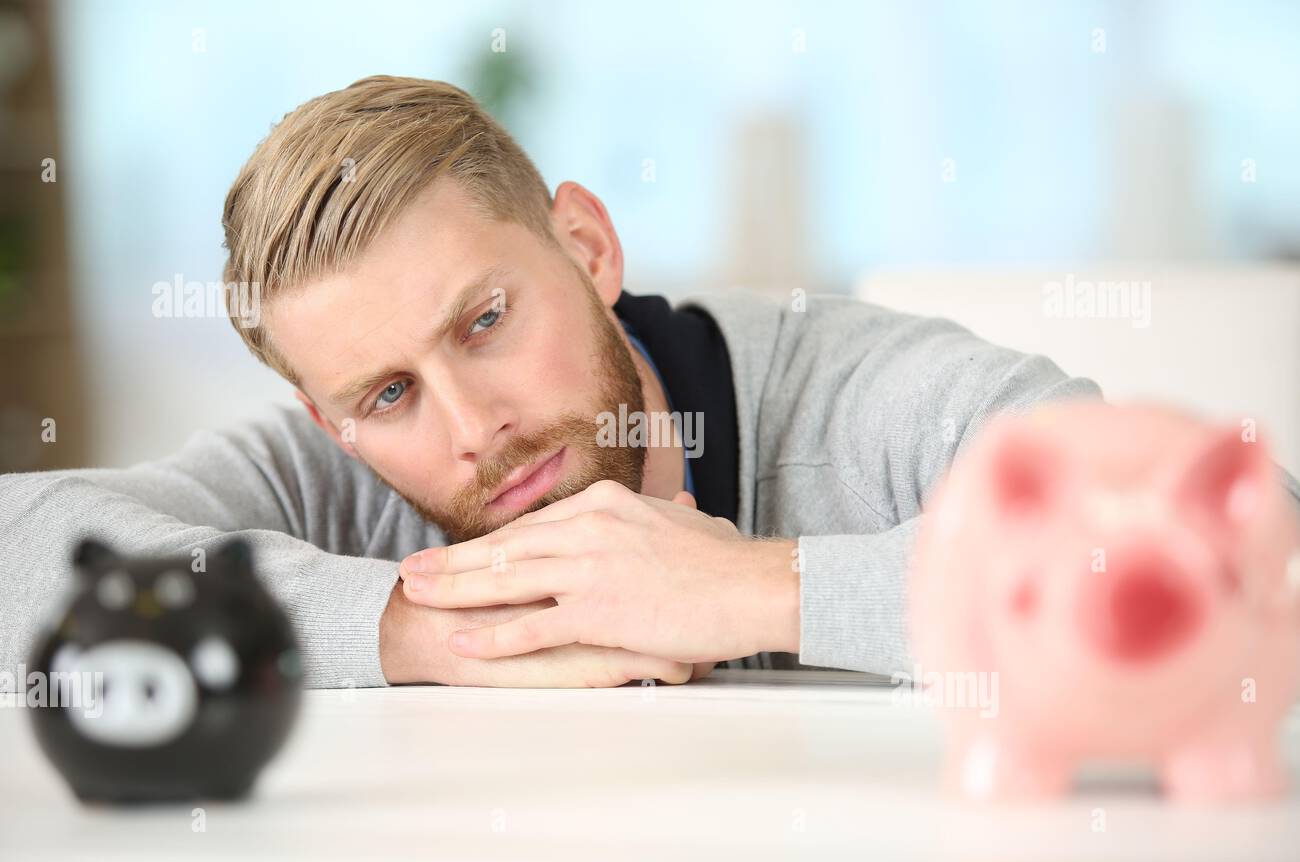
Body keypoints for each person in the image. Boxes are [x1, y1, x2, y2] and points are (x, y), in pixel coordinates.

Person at [5, 76, 1293, 690]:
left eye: (487, 320)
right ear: (332, 425)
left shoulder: (863, 400)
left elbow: (1255, 553)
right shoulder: (330, 488)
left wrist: (749, 590)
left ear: (589, 244)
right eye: (387, 396)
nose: (473, 432)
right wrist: (417, 631)